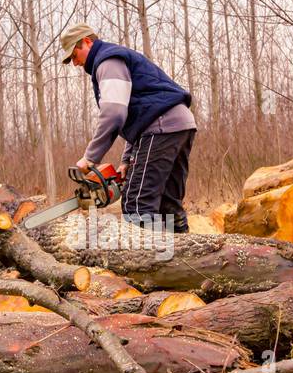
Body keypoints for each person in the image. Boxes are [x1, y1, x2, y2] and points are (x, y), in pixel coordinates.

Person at [59, 23, 196, 232]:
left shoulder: (107, 61)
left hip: (161, 126)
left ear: (87, 42)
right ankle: (185, 256)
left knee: (137, 205)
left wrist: (90, 157)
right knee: (168, 204)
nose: (75, 63)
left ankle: (148, 262)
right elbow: (138, 115)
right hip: (180, 124)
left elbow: (114, 113)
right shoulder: (115, 58)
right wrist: (126, 161)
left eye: (74, 55)